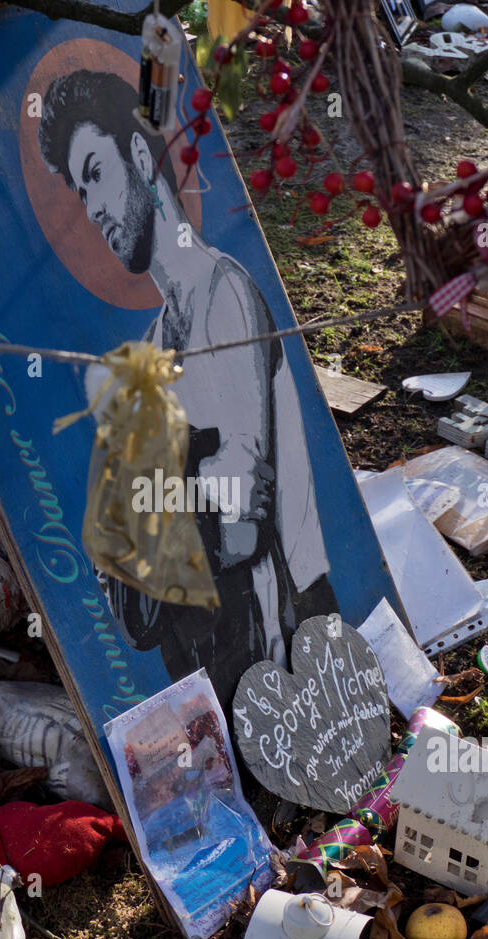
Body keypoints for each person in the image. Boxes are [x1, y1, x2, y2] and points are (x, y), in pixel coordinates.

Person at [37, 69, 335, 705]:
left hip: (281, 651)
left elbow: (237, 525)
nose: (91, 209)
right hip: (211, 660)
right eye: (78, 193)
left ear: (140, 156)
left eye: (94, 173)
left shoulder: (221, 292)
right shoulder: (154, 341)